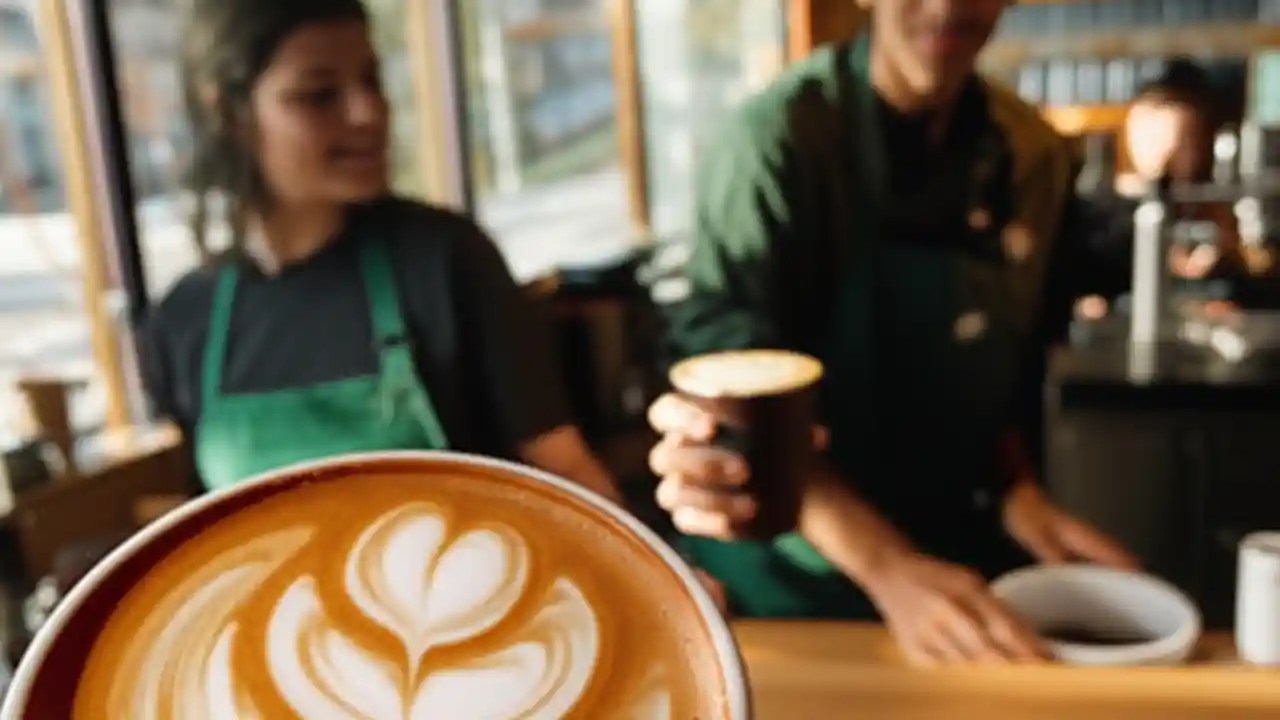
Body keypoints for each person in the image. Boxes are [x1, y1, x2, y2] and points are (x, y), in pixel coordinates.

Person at [647, 0, 1137, 666]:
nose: (946, 7)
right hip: (795, 588)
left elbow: (1006, 376)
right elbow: (732, 398)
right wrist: (888, 566)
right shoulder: (776, 142)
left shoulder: (1033, 157)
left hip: (958, 573)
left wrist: (1020, 497)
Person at [141, 0, 617, 500]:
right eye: (319, 95)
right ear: (229, 113)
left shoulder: (446, 260)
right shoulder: (183, 322)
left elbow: (564, 470)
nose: (368, 112)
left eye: (371, 79)